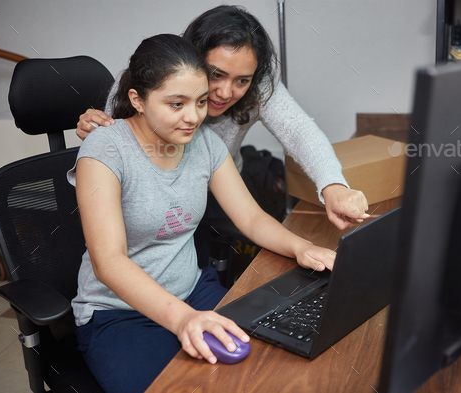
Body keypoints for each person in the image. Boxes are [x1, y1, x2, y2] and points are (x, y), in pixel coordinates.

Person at [67, 34, 336, 393]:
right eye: (176, 104)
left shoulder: (203, 142)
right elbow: (108, 261)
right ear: (137, 99)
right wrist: (182, 320)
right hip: (118, 314)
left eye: (201, 102)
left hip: (193, 292)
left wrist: (301, 247)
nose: (193, 116)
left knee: (270, 369)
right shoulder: (105, 148)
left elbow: (251, 218)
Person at [76, 5, 370, 232]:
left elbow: (299, 130)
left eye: (242, 81)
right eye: (216, 74)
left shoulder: (257, 90)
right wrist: (99, 127)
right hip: (150, 199)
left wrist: (333, 186)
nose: (224, 93)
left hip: (221, 191)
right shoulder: (146, 83)